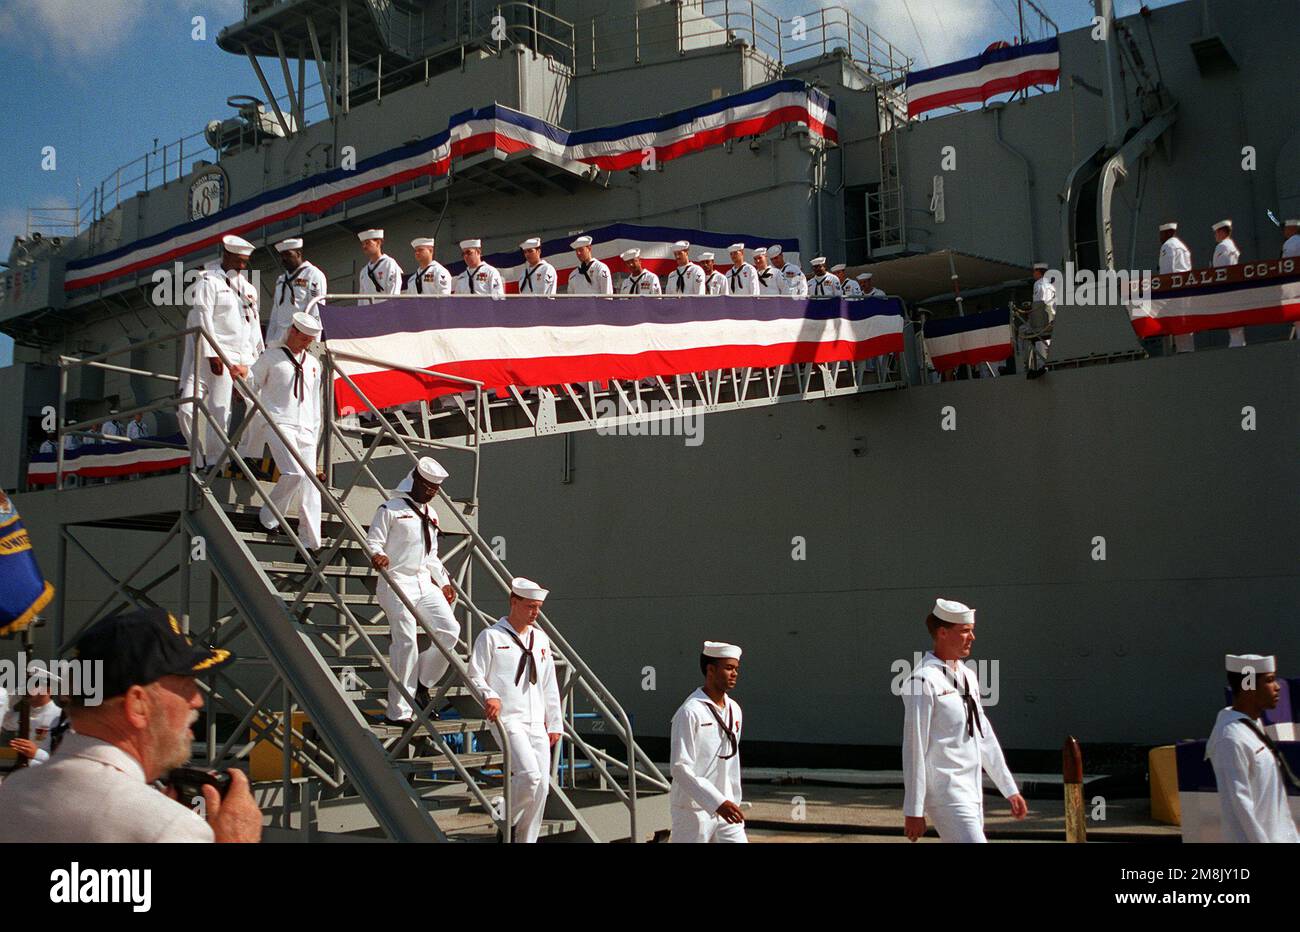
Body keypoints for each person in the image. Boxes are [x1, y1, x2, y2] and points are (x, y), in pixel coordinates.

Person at [0, 607, 261, 842]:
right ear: (138, 704)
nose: (197, 700)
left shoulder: (13, 791)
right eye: (186, 686)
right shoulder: (169, 827)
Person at [901, 598, 1027, 843]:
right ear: (943, 632)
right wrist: (914, 810)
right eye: (965, 631)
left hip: (972, 790)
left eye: (972, 630)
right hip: (946, 792)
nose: (972, 637)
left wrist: (1009, 789)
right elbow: (914, 748)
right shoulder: (922, 681)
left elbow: (983, 734)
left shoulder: (968, 676)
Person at [467, 576, 562, 843]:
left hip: (536, 721)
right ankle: (505, 815)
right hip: (508, 719)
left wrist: (555, 722)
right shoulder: (491, 636)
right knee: (529, 777)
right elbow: (474, 675)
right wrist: (490, 695)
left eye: (538, 608)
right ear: (513, 601)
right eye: (530, 606)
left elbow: (548, 683)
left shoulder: (540, 639)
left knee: (542, 788)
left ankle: (523, 837)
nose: (535, 613)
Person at [366, 457, 460, 725]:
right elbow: (373, 541)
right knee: (406, 641)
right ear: (415, 480)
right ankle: (398, 711)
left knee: (450, 631)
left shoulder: (432, 514)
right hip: (396, 582)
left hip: (422, 582)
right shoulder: (390, 509)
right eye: (427, 486)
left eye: (435, 489)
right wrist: (378, 555)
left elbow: (432, 555)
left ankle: (422, 681)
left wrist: (444, 581)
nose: (431, 492)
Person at [178, 234, 263, 467]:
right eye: (239, 261)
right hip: (217, 353)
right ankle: (203, 459)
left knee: (244, 408)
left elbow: (253, 325)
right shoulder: (209, 283)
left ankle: (239, 456)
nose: (243, 266)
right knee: (192, 410)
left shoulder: (249, 289)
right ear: (227, 255)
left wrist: (259, 355)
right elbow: (203, 318)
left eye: (245, 262)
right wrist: (213, 353)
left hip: (242, 356)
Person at [1205, 654, 1300, 843]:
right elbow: (1241, 807)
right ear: (1248, 686)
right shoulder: (1230, 738)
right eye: (1269, 680)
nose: (1277, 687)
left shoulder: (1251, 726)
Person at [251, 312, 324, 552]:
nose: (306, 344)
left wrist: (315, 433)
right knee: (294, 473)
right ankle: (268, 518)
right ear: (292, 331)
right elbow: (251, 384)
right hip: (279, 422)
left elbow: (315, 403)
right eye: (303, 339)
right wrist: (240, 377)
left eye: (310, 341)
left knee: (311, 486)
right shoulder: (271, 357)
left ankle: (310, 543)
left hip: (306, 428)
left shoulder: (313, 364)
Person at [669, 641, 746, 843]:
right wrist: (716, 802)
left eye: (736, 669)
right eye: (728, 668)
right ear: (710, 670)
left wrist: (728, 800)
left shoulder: (734, 709)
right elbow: (679, 767)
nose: (734, 673)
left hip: (728, 807)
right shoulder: (690, 711)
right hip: (692, 809)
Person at [266, 237, 327, 346]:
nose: (284, 259)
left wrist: (313, 342)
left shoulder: (312, 274)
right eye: (282, 255)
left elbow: (316, 309)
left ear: (298, 254)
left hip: (299, 335)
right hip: (279, 336)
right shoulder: (281, 280)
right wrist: (269, 341)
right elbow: (275, 312)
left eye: (288, 254)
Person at [1, 668, 64, 767]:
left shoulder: (60, 717)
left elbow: (65, 759)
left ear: (48, 690)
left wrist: (36, 753)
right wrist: (16, 695)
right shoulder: (23, 715)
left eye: (34, 685)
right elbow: (3, 721)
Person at [1158, 222, 1195, 353]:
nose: (1160, 237)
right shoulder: (1183, 247)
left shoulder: (1167, 246)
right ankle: (1188, 350)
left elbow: (1166, 273)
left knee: (1177, 322)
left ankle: (1182, 352)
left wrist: (1163, 292)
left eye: (1161, 234)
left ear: (1168, 233)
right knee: (1186, 322)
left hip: (1175, 291)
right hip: (1186, 290)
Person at [1211, 220, 1245, 347]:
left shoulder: (1222, 246)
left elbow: (1222, 269)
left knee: (1232, 319)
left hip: (1227, 287)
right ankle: (1238, 343)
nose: (1215, 235)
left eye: (1216, 233)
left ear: (1221, 232)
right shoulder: (1231, 245)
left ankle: (1236, 345)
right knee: (1235, 321)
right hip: (1234, 287)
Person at [1026, 261, 1056, 377]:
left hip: (1041, 319)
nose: (1033, 274)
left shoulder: (1038, 284)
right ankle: (1049, 364)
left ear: (1038, 272)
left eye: (1034, 271)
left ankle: (1040, 366)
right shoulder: (1051, 286)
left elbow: (1039, 302)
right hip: (1051, 318)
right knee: (1048, 343)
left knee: (1038, 342)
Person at [356, 229, 402, 304]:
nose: (364, 246)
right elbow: (362, 298)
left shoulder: (389, 263)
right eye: (363, 244)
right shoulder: (364, 272)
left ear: (378, 243)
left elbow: (394, 291)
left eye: (367, 243)